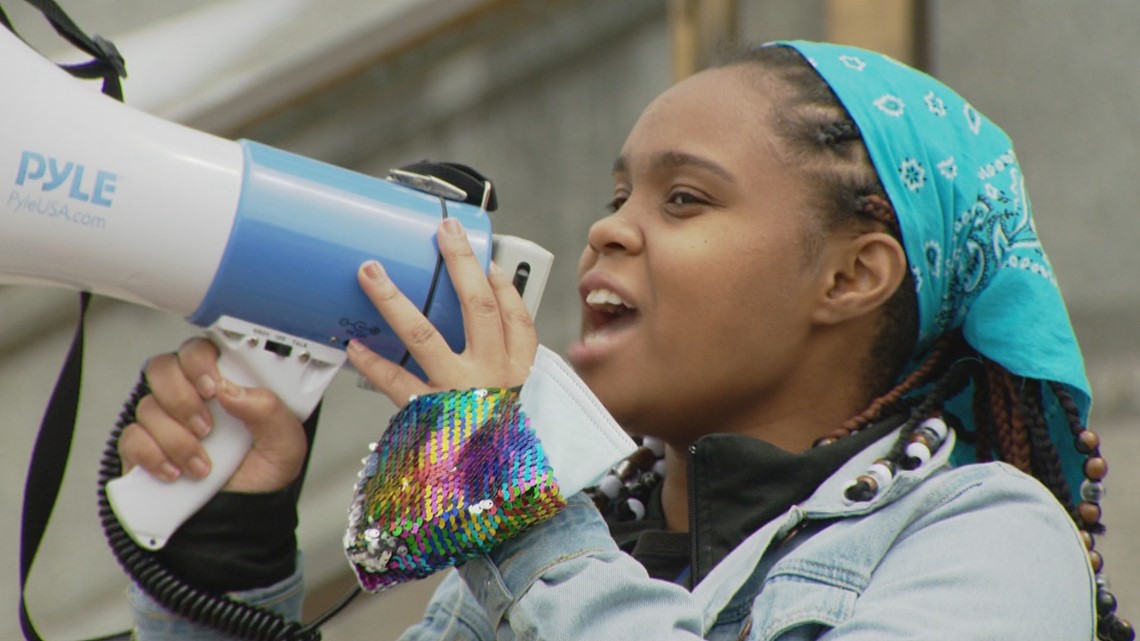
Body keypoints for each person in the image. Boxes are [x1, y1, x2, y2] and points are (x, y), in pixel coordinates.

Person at [116, 40, 1130, 640]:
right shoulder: (555, 542)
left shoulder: (991, 533)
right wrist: (224, 561)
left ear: (851, 275)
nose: (607, 228)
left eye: (684, 198)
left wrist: (514, 520)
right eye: (616, 194)